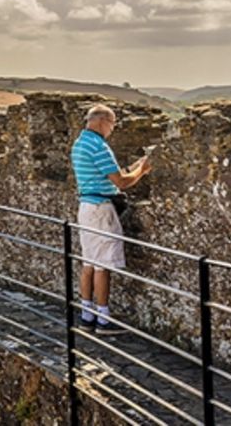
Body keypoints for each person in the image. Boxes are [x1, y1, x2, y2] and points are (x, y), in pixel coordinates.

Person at [71, 104, 152, 335]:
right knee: (103, 266)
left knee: (88, 263)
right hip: (100, 210)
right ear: (102, 121)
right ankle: (104, 320)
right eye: (112, 124)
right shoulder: (98, 146)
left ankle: (87, 316)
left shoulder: (80, 143)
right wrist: (143, 170)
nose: (112, 130)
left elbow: (109, 175)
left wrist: (134, 167)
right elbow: (122, 183)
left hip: (86, 206)